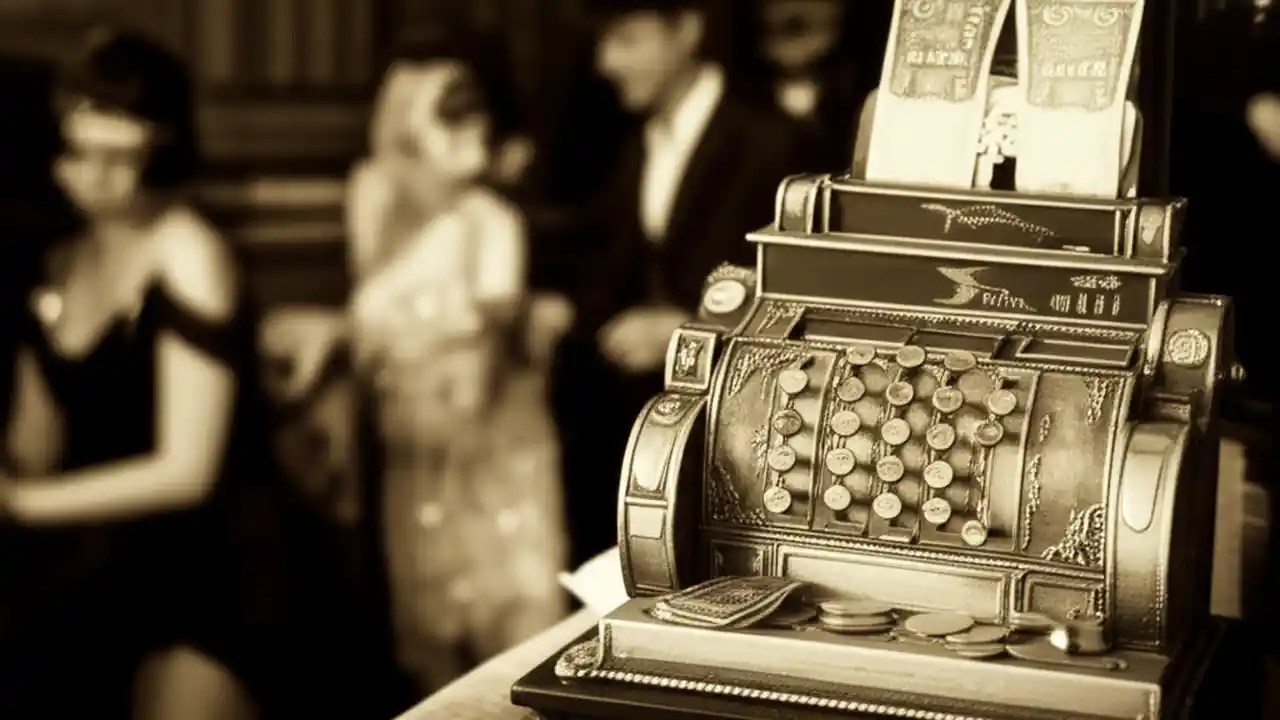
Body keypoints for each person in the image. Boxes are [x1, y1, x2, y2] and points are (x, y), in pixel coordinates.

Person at [0, 28, 345, 720]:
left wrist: (21, 504)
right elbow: (35, 448)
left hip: (222, 565)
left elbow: (187, 471)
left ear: (162, 151)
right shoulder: (57, 260)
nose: (98, 176)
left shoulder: (185, 249)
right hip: (109, 561)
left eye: (122, 156)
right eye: (81, 153)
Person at [275, 41, 572, 694]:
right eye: (448, 119)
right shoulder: (378, 208)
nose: (469, 136)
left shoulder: (490, 222)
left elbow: (490, 337)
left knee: (510, 608)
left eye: (475, 119)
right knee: (426, 615)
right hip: (409, 435)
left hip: (486, 440)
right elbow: (371, 315)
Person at [551, 0, 821, 567]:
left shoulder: (775, 141)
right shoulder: (625, 143)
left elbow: (802, 292)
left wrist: (689, 327)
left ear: (687, 31)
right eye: (604, 45)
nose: (607, 62)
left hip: (734, 444)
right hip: (632, 435)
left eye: (626, 40)